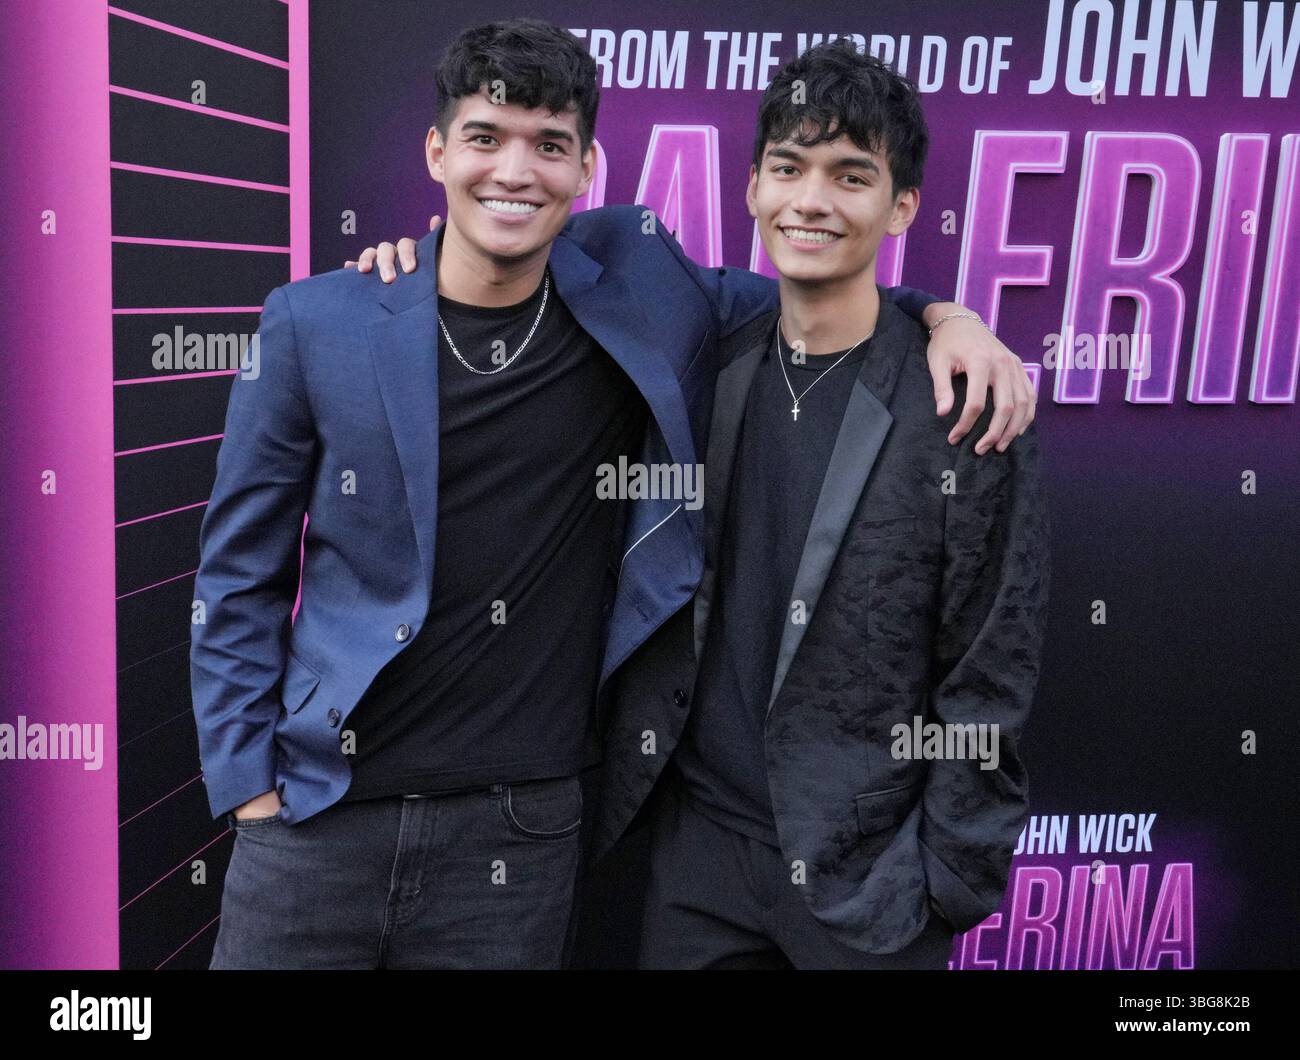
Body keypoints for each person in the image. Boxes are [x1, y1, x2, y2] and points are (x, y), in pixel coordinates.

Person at [196, 18, 1034, 970]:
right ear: (437, 151)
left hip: (520, 834)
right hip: (316, 815)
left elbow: (826, 297)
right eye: (485, 138)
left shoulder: (642, 294)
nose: (515, 171)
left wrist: (947, 315)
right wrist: (248, 789)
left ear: (587, 167)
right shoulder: (319, 321)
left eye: (548, 145)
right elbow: (236, 577)